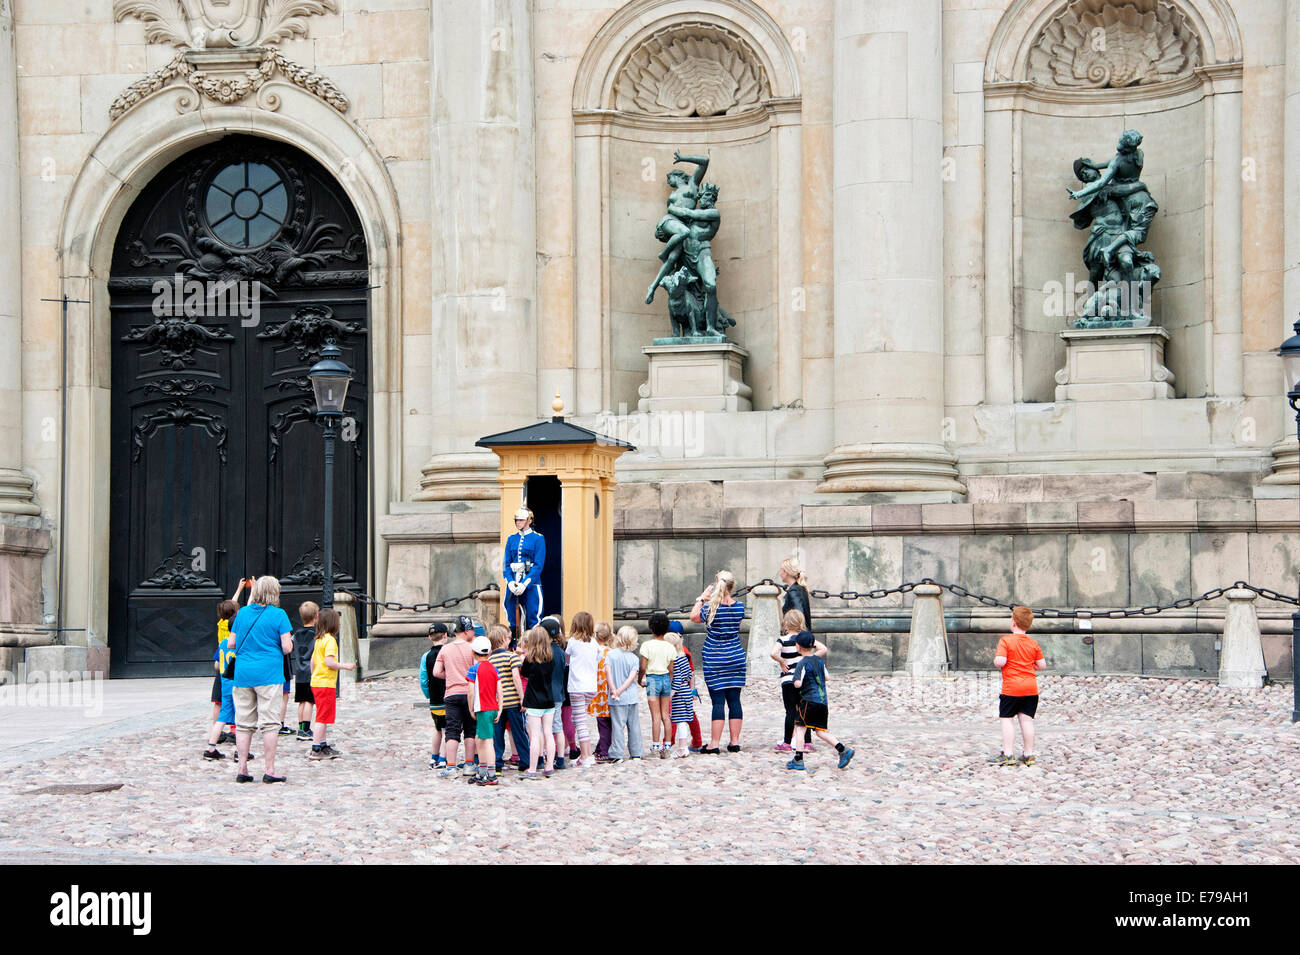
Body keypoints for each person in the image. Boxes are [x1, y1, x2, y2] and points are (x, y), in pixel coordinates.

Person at [228, 575, 294, 783]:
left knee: (244, 723)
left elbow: (231, 643)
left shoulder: (243, 613)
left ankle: (243, 769)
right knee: (270, 723)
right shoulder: (279, 615)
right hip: (269, 673)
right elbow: (286, 647)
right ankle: (269, 769)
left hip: (243, 674)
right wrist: (289, 641)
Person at [690, 570, 746, 753]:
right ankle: (734, 741)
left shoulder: (710, 609)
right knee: (735, 700)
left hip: (715, 658)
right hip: (736, 656)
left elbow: (693, 617)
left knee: (718, 702)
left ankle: (714, 743)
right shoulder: (739, 607)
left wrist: (702, 598)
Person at [787, 632, 854, 771]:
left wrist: (794, 681)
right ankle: (843, 749)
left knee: (800, 728)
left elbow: (798, 683)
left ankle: (798, 759)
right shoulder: (819, 661)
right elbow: (827, 677)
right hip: (822, 702)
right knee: (820, 731)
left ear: (798, 647)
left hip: (808, 701)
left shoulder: (802, 663)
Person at [991, 606, 1045, 767]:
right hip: (1030, 688)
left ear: (1013, 623)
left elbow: (1000, 661)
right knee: (1027, 720)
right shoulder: (1033, 643)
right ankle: (1029, 754)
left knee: (1007, 719)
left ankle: (1008, 753)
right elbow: (1042, 665)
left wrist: (997, 662)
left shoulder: (1006, 641)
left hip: (1012, 688)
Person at [771, 609, 826, 753]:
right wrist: (810, 658)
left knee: (790, 711)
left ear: (786, 624)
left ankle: (787, 742)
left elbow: (773, 653)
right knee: (804, 711)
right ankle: (807, 742)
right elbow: (823, 648)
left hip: (788, 680)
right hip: (804, 680)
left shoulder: (782, 640)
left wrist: (782, 661)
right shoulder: (805, 640)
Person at [432, 615, 479, 778]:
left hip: (451, 694)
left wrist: (451, 675)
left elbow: (436, 672)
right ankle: (468, 764)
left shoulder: (445, 649)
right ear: (466, 631)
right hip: (469, 693)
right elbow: (477, 670)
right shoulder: (472, 648)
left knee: (452, 731)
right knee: (470, 730)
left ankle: (451, 767)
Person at [308, 608, 355, 760]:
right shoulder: (330, 641)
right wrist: (345, 666)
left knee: (324, 714)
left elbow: (313, 661)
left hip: (317, 681)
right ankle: (316, 747)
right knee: (322, 717)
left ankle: (322, 743)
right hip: (325, 683)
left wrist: (314, 675)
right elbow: (329, 662)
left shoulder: (319, 639)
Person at [203, 599, 241, 760]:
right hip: (237, 684)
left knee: (222, 717)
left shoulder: (223, 643)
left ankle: (211, 747)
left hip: (225, 684)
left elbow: (217, 666)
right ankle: (241, 750)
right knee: (241, 716)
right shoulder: (239, 643)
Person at [487, 624, 527, 775]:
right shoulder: (512, 657)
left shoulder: (489, 660)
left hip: (497, 703)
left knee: (497, 734)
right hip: (513, 702)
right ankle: (525, 761)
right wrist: (522, 697)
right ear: (504, 639)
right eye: (510, 637)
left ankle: (497, 763)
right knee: (519, 732)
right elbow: (516, 678)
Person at [519, 625, 557, 778]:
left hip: (534, 701)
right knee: (548, 733)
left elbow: (525, 674)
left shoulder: (529, 660)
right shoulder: (551, 658)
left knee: (535, 735)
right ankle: (549, 766)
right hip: (549, 700)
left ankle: (533, 768)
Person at [638, 611, 678, 756]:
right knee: (666, 715)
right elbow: (671, 669)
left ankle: (655, 748)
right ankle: (667, 747)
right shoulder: (670, 647)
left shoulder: (647, 645)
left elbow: (643, 666)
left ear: (651, 628)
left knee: (655, 716)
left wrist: (639, 679)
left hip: (653, 680)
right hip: (666, 679)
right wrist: (670, 681)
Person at [503, 507, 546, 634]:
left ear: (529, 521)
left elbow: (538, 565)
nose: (518, 522)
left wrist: (525, 583)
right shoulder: (511, 539)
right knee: (512, 616)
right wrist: (510, 582)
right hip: (514, 582)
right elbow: (506, 564)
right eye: (516, 520)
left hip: (531, 583)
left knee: (533, 617)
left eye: (521, 520)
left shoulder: (538, 538)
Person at [565, 611, 600, 767]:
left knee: (580, 721)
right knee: (577, 717)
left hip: (577, 686)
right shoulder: (594, 643)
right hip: (591, 686)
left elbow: (567, 659)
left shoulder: (573, 642)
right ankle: (581, 752)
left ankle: (586, 755)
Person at [466, 635, 500, 786]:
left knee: (487, 741)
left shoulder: (474, 670)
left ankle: (491, 774)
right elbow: (500, 690)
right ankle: (482, 770)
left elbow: (471, 691)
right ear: (490, 652)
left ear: (473, 653)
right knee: (480, 739)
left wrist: (471, 707)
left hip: (483, 708)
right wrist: (500, 708)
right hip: (492, 707)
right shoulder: (494, 669)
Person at [607, 627, 644, 763]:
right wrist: (621, 690)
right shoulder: (634, 658)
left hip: (616, 698)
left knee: (618, 726)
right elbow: (631, 678)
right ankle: (636, 752)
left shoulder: (610, 655)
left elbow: (608, 674)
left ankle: (616, 753)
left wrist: (614, 690)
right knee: (634, 726)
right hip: (631, 696)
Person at [539, 615, 570, 768]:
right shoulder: (561, 652)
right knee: (558, 727)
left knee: (541, 727)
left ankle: (542, 755)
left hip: (544, 694)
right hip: (558, 693)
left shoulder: (543, 651)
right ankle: (560, 758)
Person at [667, 620, 703, 752]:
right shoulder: (684, 651)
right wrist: (692, 690)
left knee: (673, 715)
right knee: (690, 715)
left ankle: (669, 742)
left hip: (676, 690)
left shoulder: (675, 653)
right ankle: (697, 741)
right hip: (686, 690)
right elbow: (691, 672)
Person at [420, 621, 450, 769]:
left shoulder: (426, 656)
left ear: (429, 637)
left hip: (434, 700)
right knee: (447, 731)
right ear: (445, 635)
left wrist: (429, 694)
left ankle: (434, 757)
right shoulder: (448, 653)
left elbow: (423, 679)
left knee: (438, 729)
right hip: (448, 698)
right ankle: (443, 759)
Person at [290, 601, 318, 741]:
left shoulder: (296, 634)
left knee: (301, 701)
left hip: (299, 671)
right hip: (310, 671)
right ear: (316, 617)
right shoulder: (316, 634)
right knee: (309, 701)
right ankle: (306, 729)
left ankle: (300, 727)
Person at [666, 631, 694, 758]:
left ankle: (683, 747)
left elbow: (676, 680)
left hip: (679, 694)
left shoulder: (675, 660)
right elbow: (689, 674)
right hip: (686, 691)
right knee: (682, 720)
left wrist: (670, 694)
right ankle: (683, 746)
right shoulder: (683, 657)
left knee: (680, 721)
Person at [590, 621, 614, 762]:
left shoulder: (595, 651)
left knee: (603, 722)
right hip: (609, 690)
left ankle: (604, 750)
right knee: (607, 722)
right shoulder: (611, 652)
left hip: (599, 692)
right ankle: (601, 747)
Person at [779, 557, 812, 631]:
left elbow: (798, 615)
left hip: (797, 638)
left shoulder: (794, 591)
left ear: (786, 572)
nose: (780, 573)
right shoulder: (799, 588)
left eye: (781, 570)